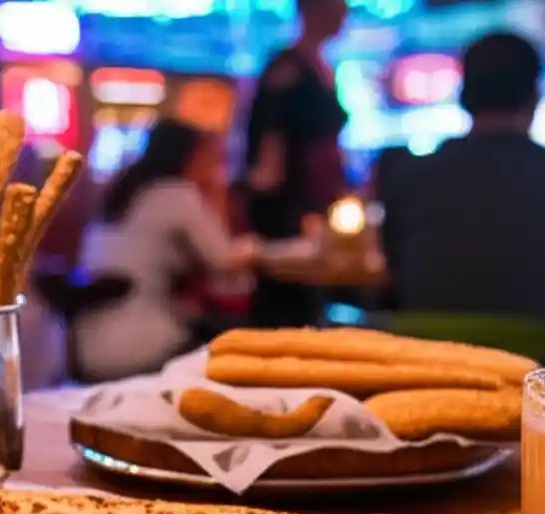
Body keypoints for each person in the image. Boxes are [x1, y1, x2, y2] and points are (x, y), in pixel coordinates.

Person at [377, 32, 545, 326]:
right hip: (542, 362)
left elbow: (394, 282)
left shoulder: (407, 177)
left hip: (432, 362)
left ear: (464, 96)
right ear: (535, 96)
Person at [75, 120, 257, 380]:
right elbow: (223, 259)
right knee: (234, 345)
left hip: (87, 344)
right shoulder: (176, 193)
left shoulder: (123, 189)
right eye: (209, 157)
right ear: (189, 155)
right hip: (140, 341)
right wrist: (217, 194)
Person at [243, 0, 349, 327]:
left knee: (312, 292)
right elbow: (271, 131)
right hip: (289, 198)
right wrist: (267, 184)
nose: (343, 17)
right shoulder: (287, 66)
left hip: (317, 194)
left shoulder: (319, 65)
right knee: (285, 294)